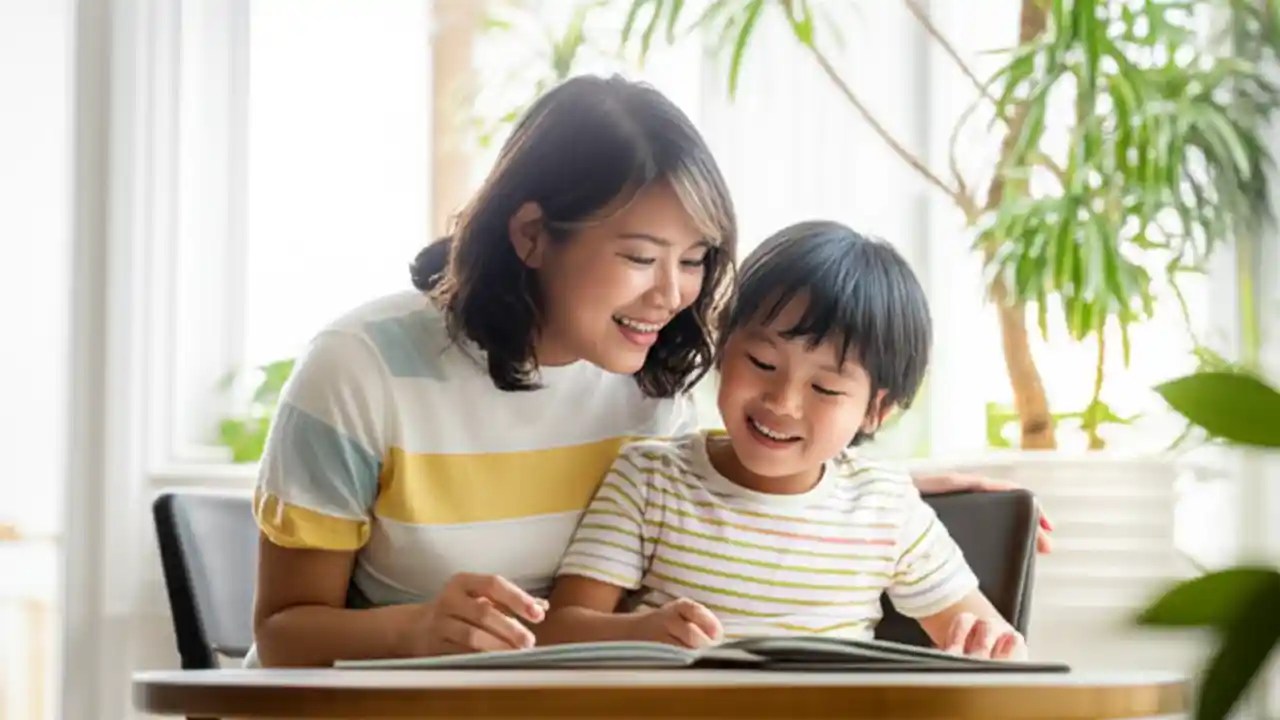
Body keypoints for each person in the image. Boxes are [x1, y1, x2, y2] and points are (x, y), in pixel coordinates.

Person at [250, 75, 1049, 668]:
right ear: (531, 234)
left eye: (697, 260)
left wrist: (886, 484)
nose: (673, 295)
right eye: (639, 258)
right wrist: (416, 630)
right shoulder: (359, 370)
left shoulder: (658, 371)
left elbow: (769, 431)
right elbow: (281, 633)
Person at [538, 222, 1027, 659]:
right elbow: (556, 632)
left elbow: (999, 647)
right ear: (723, 348)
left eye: (825, 389)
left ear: (877, 410)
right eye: (763, 364)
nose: (783, 402)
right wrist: (640, 634)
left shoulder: (886, 505)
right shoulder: (650, 479)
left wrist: (988, 650)